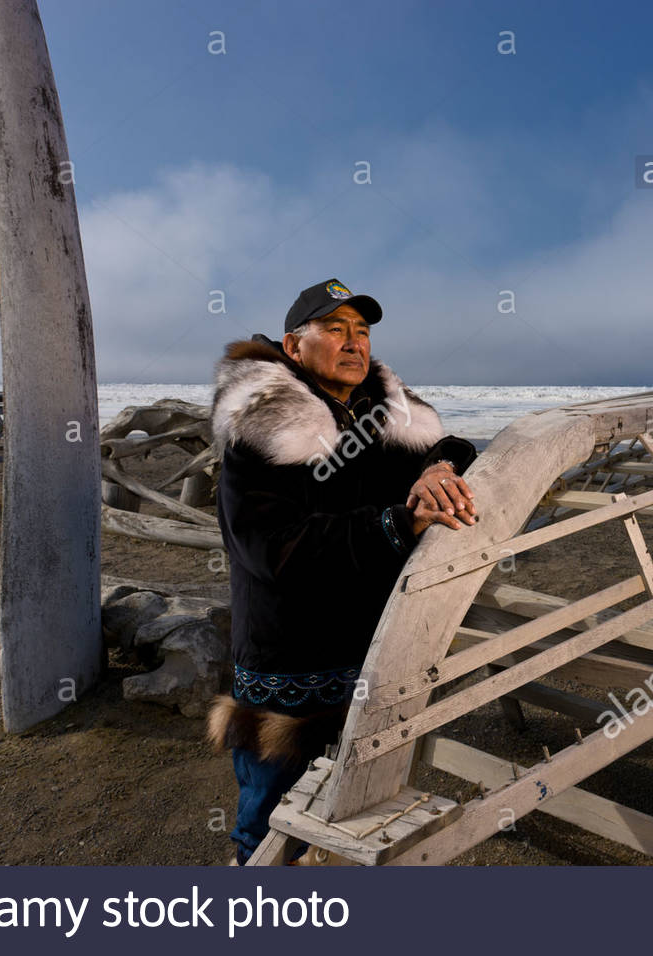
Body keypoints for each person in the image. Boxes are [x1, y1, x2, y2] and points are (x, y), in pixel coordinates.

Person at [205, 277, 479, 865]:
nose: (355, 343)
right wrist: (396, 523)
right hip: (290, 657)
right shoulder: (260, 429)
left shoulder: (381, 412)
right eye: (335, 329)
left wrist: (437, 467)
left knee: (355, 807)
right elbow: (275, 551)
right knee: (269, 818)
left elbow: (452, 442)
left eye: (362, 332)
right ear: (294, 345)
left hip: (372, 645)